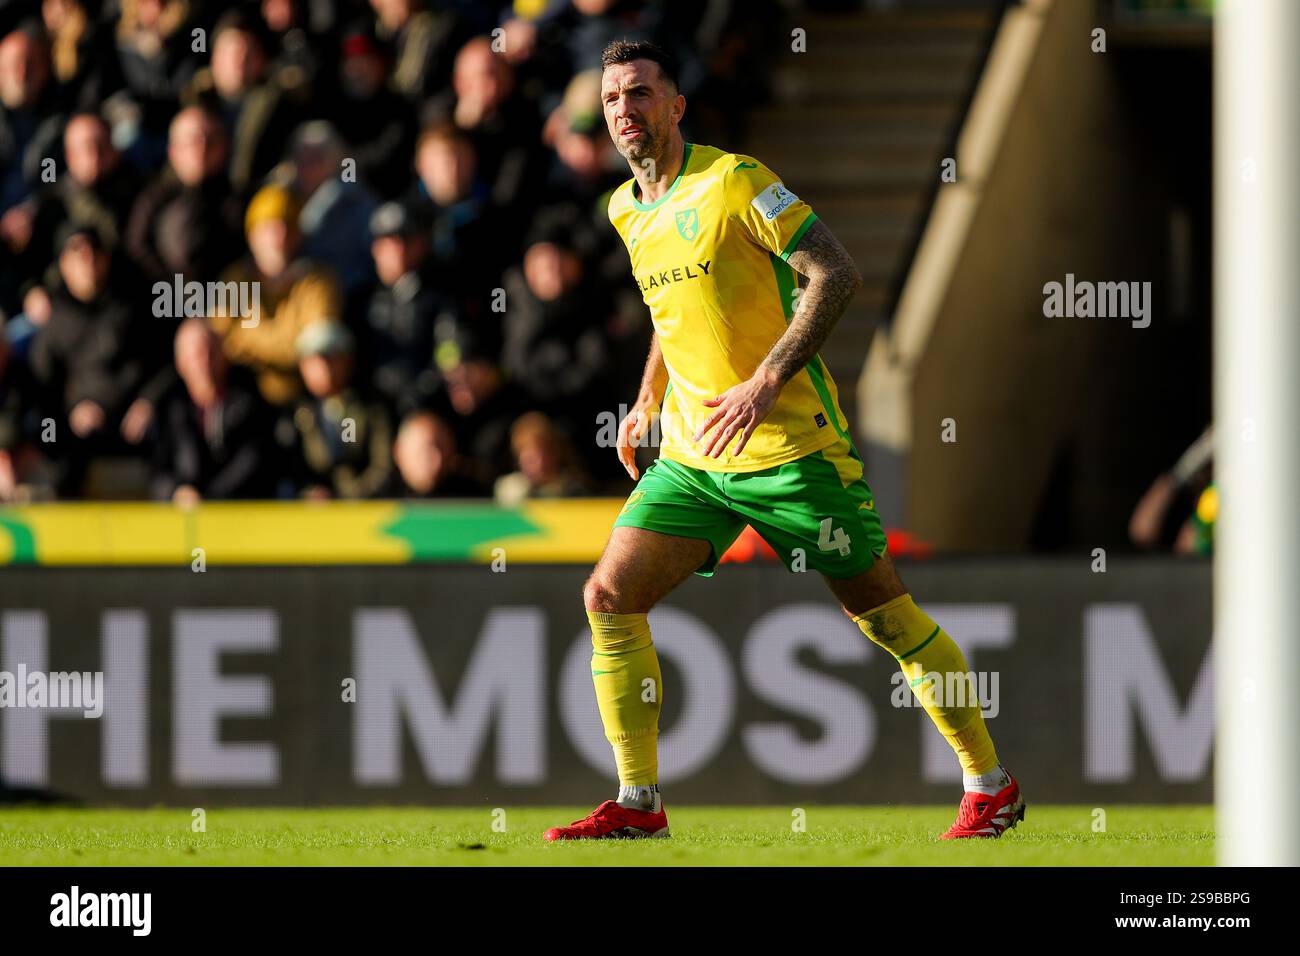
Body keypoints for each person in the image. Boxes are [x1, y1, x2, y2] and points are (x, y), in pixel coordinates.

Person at [545, 40, 1024, 842]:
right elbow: (675, 314)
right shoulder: (625, 210)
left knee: (884, 616)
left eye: (639, 92)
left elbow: (833, 273)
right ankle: (638, 804)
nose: (624, 109)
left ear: (675, 106)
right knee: (606, 598)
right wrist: (647, 397)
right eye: (611, 100)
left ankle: (990, 784)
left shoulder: (735, 181)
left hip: (791, 451)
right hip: (696, 461)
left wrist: (765, 381)